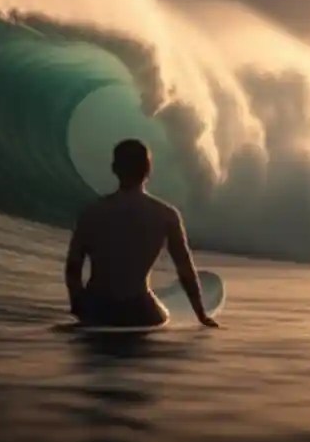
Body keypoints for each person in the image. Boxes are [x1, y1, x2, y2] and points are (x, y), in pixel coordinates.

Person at [65, 139, 219, 328]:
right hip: (140, 312)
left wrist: (79, 306)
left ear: (114, 168)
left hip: (97, 310)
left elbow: (73, 268)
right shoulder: (166, 215)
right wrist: (201, 315)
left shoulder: (91, 213)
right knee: (161, 316)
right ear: (148, 169)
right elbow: (184, 269)